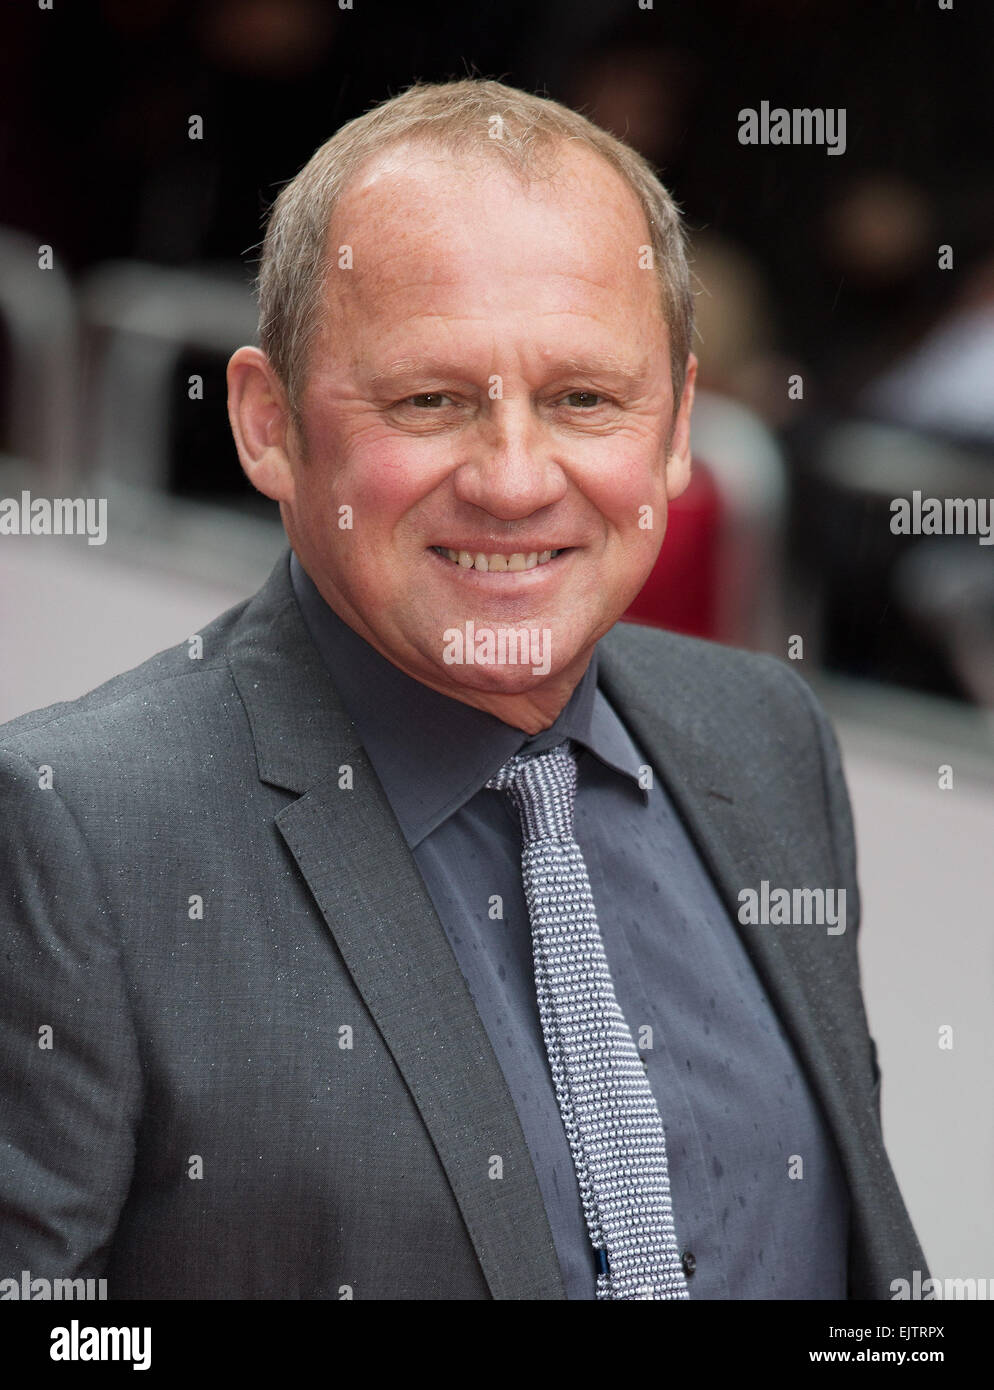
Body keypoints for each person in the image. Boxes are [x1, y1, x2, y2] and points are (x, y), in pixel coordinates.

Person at [0, 78, 926, 1300]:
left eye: (584, 399)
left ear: (679, 424)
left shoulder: (761, 739)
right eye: (429, 400)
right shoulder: (74, 831)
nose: (512, 478)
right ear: (266, 422)